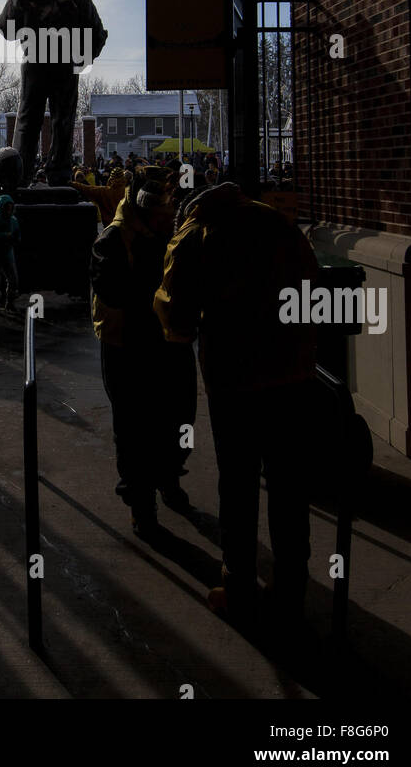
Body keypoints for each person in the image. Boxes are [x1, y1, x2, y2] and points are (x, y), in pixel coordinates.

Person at [153, 180, 320, 632]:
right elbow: (314, 292)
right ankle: (291, 592)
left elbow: (176, 314)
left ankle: (239, 586)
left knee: (239, 483)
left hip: (235, 378)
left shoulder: (197, 233)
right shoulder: (278, 224)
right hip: (292, 374)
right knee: (289, 485)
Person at [91, 166, 196, 539]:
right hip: (128, 347)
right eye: (165, 215)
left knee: (181, 417)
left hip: (170, 343)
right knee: (134, 427)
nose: (171, 220)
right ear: (148, 211)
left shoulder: (171, 237)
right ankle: (141, 502)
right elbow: (113, 292)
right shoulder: (114, 241)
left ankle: (170, 477)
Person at [0, 0, 107, 185]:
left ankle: (21, 175)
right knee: (63, 119)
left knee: (27, 119)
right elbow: (97, 33)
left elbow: (6, 29)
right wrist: (83, 56)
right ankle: (60, 174)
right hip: (66, 63)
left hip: (34, 60)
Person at [0, 194, 21, 311]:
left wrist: (15, 239)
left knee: (13, 279)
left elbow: (18, 234)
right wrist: (6, 236)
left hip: (8, 252)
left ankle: (10, 301)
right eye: (7, 207)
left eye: (10, 207)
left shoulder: (13, 220)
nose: (9, 209)